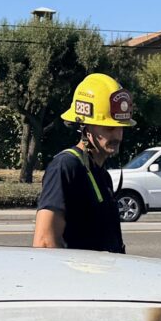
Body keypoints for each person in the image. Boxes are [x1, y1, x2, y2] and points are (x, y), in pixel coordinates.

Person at [32, 73, 135, 252]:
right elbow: (45, 242)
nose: (118, 136)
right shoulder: (65, 167)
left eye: (121, 127)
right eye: (109, 128)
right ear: (85, 127)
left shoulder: (102, 175)